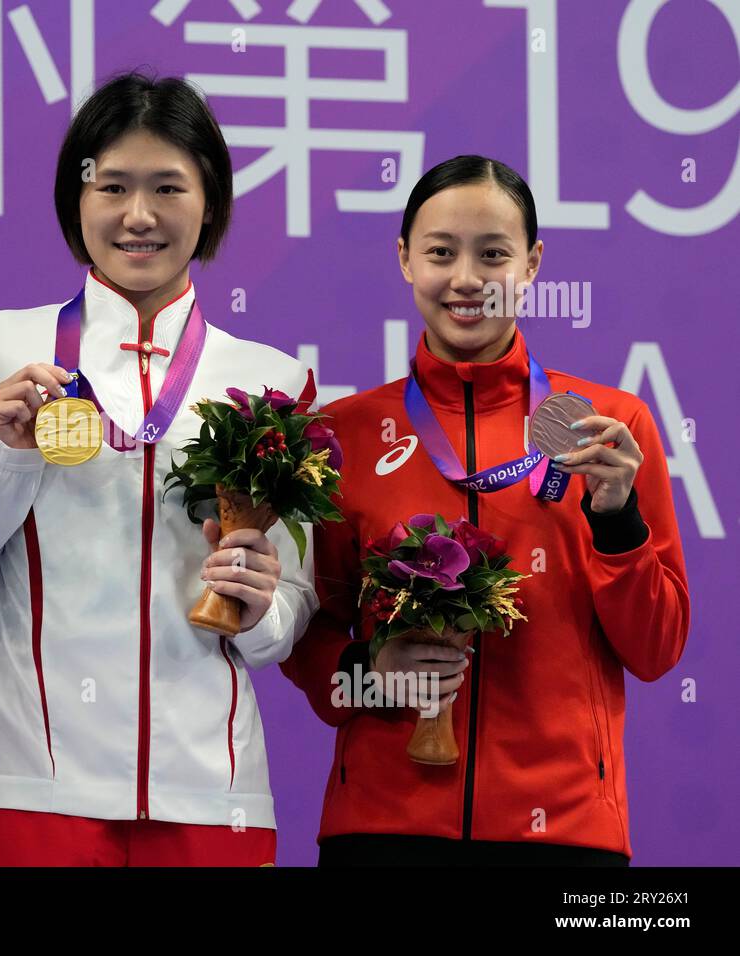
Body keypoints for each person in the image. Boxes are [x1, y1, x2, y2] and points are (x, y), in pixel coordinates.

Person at [0, 72, 317, 866]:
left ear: (211, 202)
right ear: (76, 200)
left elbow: (289, 615)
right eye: (112, 186)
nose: (139, 215)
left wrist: (263, 603)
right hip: (36, 785)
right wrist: (10, 455)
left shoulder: (276, 384)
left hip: (216, 791)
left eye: (169, 186)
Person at [280, 155, 690, 866]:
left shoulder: (609, 428)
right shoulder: (345, 434)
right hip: (382, 827)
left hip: (566, 830)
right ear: (405, 259)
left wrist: (617, 517)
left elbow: (657, 650)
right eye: (440, 252)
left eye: (494, 254)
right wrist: (368, 672)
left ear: (532, 265)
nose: (466, 279)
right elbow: (306, 629)